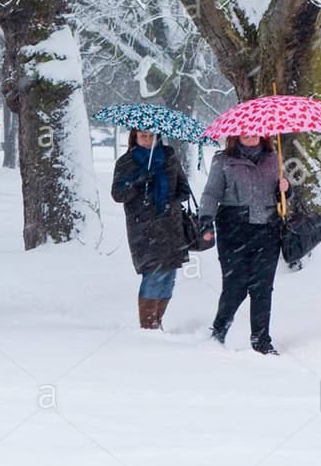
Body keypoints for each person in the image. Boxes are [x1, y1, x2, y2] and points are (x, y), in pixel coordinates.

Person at [198, 134, 290, 355]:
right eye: (245, 131)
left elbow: (283, 199)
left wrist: (285, 189)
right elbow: (211, 193)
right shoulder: (223, 160)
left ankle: (261, 341)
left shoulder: (274, 158)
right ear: (236, 134)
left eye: (254, 131)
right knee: (235, 287)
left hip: (267, 230)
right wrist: (205, 221)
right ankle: (219, 331)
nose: (250, 136)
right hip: (233, 231)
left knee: (262, 288)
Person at [111, 128, 192, 330]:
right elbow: (118, 194)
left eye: (151, 136)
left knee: (169, 277)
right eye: (143, 136)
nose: (147, 140)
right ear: (134, 137)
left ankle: (157, 320)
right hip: (143, 227)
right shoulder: (126, 162)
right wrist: (137, 182)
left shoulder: (169, 157)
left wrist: (176, 198)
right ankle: (148, 326)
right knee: (153, 274)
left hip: (170, 226)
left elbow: (184, 186)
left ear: (159, 137)